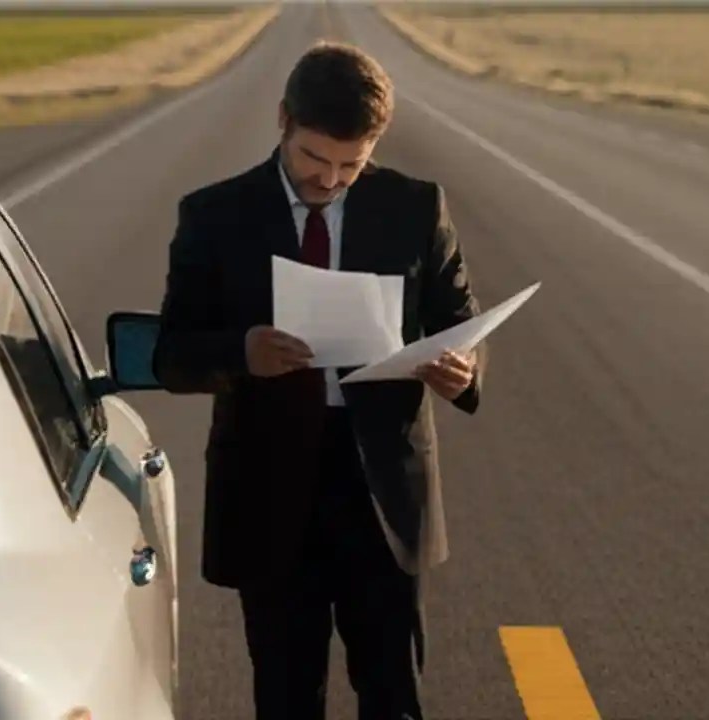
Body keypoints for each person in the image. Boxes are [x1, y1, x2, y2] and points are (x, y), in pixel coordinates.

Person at [152, 39, 485, 720]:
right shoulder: (214, 216)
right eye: (314, 158)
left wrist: (461, 369)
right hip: (271, 491)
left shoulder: (415, 207)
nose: (330, 180)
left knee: (393, 693)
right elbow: (171, 353)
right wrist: (242, 351)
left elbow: (460, 317)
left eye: (351, 166)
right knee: (285, 695)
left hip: (383, 492)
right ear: (283, 121)